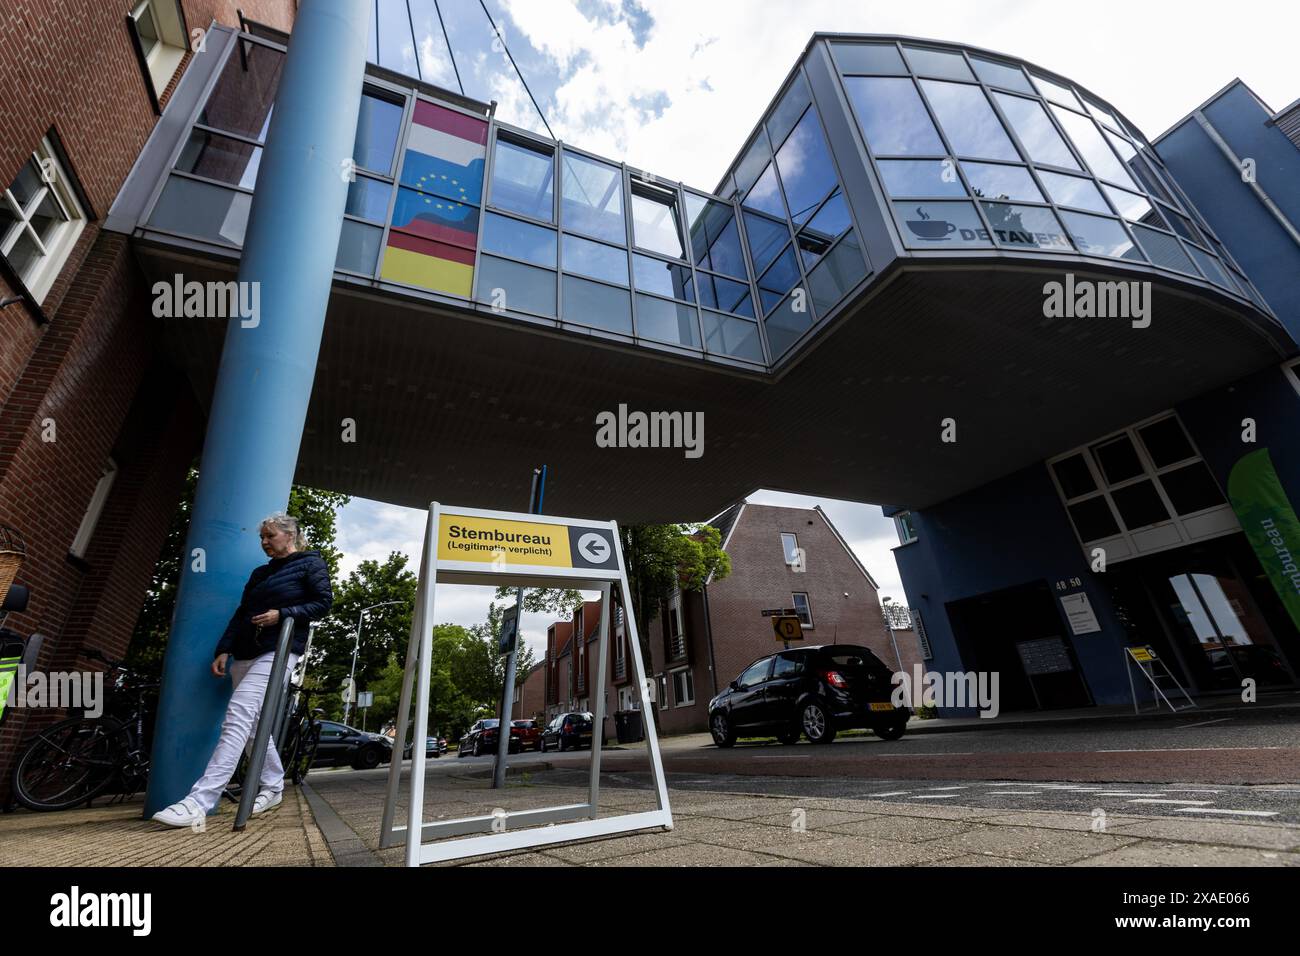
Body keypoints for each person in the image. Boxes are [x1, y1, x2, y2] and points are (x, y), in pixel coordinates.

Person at [152, 512, 333, 827]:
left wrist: (283, 614)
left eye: (270, 536)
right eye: (261, 538)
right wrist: (223, 649)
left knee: (237, 716)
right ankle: (274, 785)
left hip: (279, 650)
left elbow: (323, 603)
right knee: (252, 726)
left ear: (290, 536)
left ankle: (199, 800)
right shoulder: (259, 574)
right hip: (247, 652)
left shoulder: (310, 564)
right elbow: (242, 613)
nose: (264, 543)